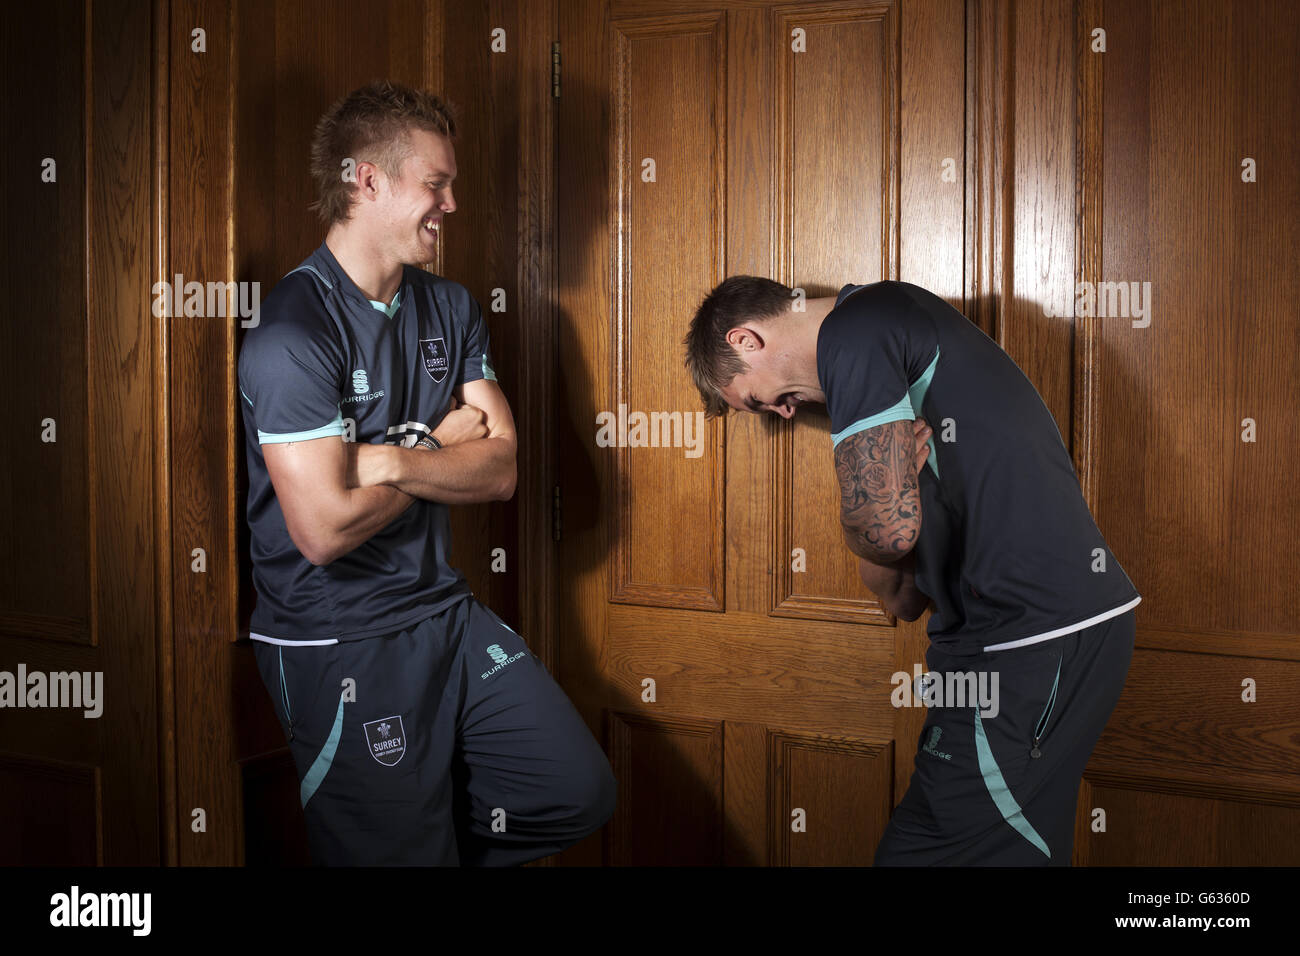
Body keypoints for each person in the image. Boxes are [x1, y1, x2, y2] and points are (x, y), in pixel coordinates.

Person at [237, 80, 615, 865]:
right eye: (436, 183)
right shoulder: (293, 330)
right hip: (337, 641)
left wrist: (390, 458)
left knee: (574, 788)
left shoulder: (450, 307)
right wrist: (442, 448)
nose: (452, 203)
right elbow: (322, 528)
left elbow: (504, 466)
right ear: (367, 180)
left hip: (443, 611)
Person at [684, 276, 1140, 865]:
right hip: (1022, 639)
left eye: (755, 399)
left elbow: (884, 532)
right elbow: (897, 597)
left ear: (745, 339)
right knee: (1009, 849)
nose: (782, 411)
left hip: (1031, 636)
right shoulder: (877, 364)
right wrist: (873, 524)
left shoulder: (859, 325)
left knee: (926, 850)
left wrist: (866, 519)